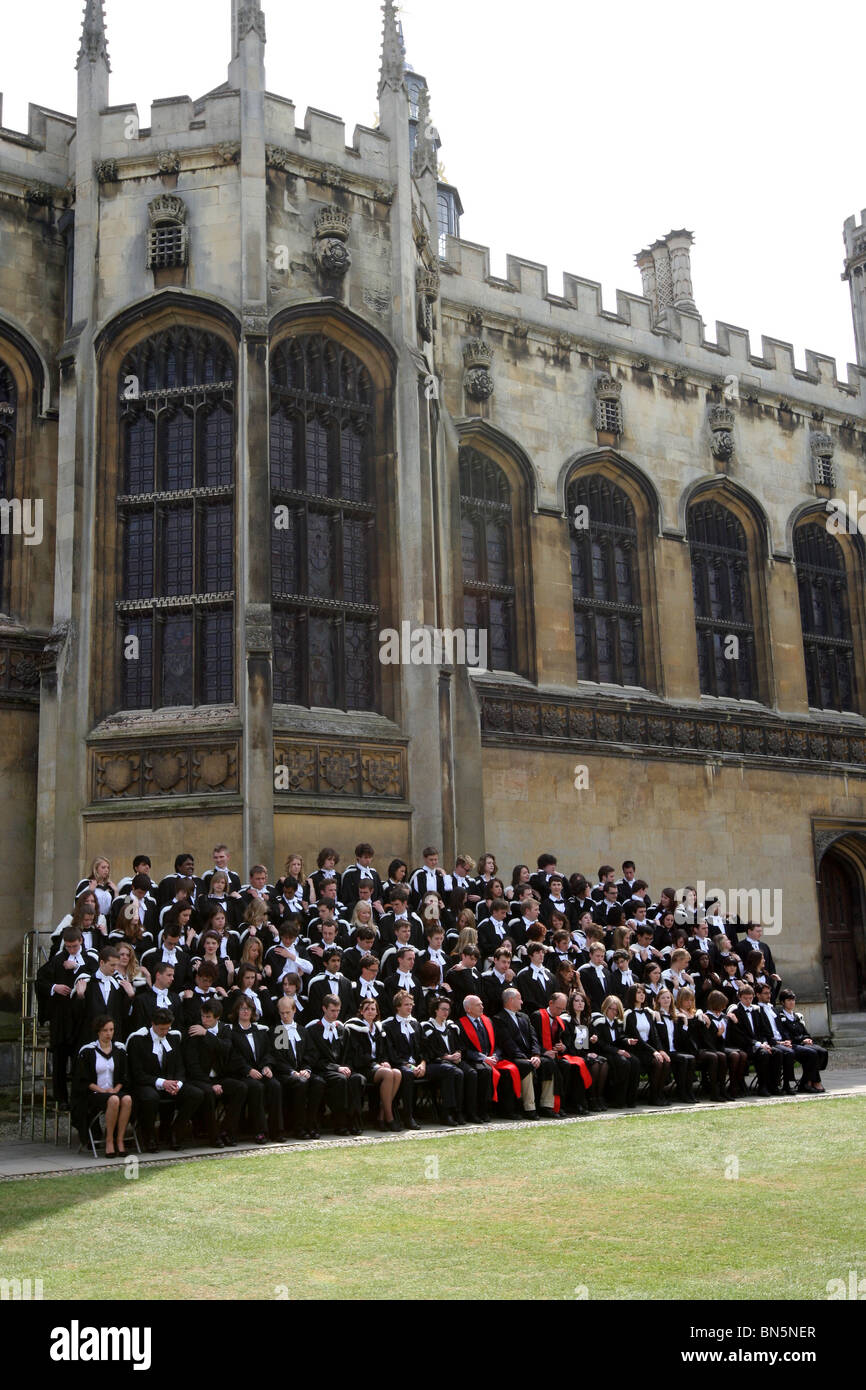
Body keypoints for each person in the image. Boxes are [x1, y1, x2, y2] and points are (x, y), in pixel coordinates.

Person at [126, 1008, 203, 1152]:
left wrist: (177, 1084)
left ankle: (175, 1132)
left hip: (170, 1084)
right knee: (150, 1097)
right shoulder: (138, 1040)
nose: (164, 1032)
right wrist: (162, 1082)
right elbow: (137, 1074)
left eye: (167, 1028)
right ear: (153, 1024)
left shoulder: (173, 1038)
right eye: (161, 1029)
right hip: (147, 1084)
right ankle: (149, 1137)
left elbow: (180, 1067)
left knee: (196, 1094)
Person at [37, 926, 96, 1105]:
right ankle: (61, 1098)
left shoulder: (89, 959)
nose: (71, 950)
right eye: (68, 947)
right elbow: (41, 979)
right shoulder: (58, 959)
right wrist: (55, 987)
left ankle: (81, 1097)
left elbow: (95, 977)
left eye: (74, 946)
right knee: (60, 1059)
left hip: (81, 1018)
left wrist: (77, 967)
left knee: (81, 1060)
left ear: (81, 942)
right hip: (61, 1017)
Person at [183, 1000, 248, 1147]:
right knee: (208, 1093)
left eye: (208, 1017)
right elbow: (192, 1065)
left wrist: (206, 1034)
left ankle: (227, 1130)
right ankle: (214, 1137)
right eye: (203, 1017)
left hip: (220, 1077)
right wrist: (210, 1083)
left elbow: (225, 1048)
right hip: (201, 1079)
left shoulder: (224, 1029)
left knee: (240, 1088)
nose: (204, 1020)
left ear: (217, 1017)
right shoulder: (194, 1030)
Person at [71, 1015, 132, 1157]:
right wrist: (103, 1091)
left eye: (111, 1030)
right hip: (94, 1094)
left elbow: (124, 1076)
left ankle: (120, 1139)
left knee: (127, 1099)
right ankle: (109, 1140)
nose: (109, 1033)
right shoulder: (88, 1051)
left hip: (114, 1090)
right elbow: (82, 1080)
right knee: (114, 1100)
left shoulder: (119, 1049)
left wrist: (115, 1090)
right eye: (105, 1030)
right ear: (98, 1031)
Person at [305, 995, 365, 1136]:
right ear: (324, 1009)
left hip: (342, 1069)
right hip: (323, 1070)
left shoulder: (343, 1030)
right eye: (332, 1010)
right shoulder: (313, 1031)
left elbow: (349, 1054)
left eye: (338, 1010)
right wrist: (336, 1068)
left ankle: (353, 1121)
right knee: (340, 1080)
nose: (335, 1014)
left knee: (358, 1079)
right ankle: (340, 1123)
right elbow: (314, 1059)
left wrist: (347, 1067)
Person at [494, 987, 556, 1120]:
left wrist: (536, 1055)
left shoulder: (525, 1017)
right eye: (519, 999)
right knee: (526, 1066)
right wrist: (527, 1059)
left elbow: (534, 1038)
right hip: (512, 1057)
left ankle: (546, 1105)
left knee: (548, 1063)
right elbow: (507, 1043)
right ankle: (529, 1107)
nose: (522, 1002)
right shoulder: (499, 1018)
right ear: (511, 1000)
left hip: (530, 1056)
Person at [227, 994, 283, 1143]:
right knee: (256, 1087)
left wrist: (267, 1066)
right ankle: (260, 1131)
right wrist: (247, 1070)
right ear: (237, 1011)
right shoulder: (231, 1032)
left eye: (248, 1009)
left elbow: (268, 1052)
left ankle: (277, 1130)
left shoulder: (260, 1031)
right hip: (241, 1074)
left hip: (260, 1071)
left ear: (253, 1011)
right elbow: (233, 1056)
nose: (245, 1012)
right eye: (242, 1009)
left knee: (275, 1085)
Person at [271, 996, 325, 1139]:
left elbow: (311, 1053)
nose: (284, 1016)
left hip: (303, 1071)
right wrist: (292, 1071)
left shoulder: (302, 1030)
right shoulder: (278, 1031)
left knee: (318, 1082)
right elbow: (278, 1058)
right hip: (286, 1073)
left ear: (294, 1010)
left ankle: (311, 1123)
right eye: (281, 1013)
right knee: (301, 1083)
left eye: (287, 1012)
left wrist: (306, 1069)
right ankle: (299, 1127)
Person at [344, 998, 402, 1131]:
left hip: (376, 1067)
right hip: (362, 1067)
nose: (370, 1011)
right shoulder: (355, 1028)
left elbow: (384, 1052)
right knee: (388, 1073)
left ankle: (380, 1117)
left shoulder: (379, 1029)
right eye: (367, 1009)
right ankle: (389, 1117)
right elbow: (357, 1054)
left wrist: (385, 1061)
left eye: (373, 1009)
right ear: (361, 1012)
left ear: (377, 1012)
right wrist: (376, 1064)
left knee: (397, 1073)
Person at [531, 992, 590, 1115]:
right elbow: (533, 1038)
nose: (560, 1012)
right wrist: (544, 1052)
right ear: (550, 1003)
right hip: (540, 1054)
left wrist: (563, 1047)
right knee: (553, 1065)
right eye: (558, 1008)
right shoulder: (538, 1016)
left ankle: (565, 1104)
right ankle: (548, 1105)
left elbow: (570, 1043)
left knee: (569, 1065)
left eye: (562, 1009)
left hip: (557, 1054)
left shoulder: (561, 1021)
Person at [726, 983, 782, 1096]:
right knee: (764, 1054)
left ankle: (774, 1085)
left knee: (777, 1052)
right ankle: (762, 1086)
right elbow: (739, 1035)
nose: (748, 1001)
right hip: (744, 1046)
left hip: (759, 1044)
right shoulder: (736, 1012)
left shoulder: (756, 1010)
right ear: (739, 997)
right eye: (745, 998)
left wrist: (765, 1042)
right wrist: (758, 1044)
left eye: (750, 998)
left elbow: (762, 1030)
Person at [382, 990, 426, 1129]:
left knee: (450, 1071)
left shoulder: (415, 1024)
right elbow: (391, 1053)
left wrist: (423, 1064)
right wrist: (411, 1066)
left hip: (418, 1065)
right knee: (406, 1074)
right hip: (401, 1065)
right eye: (406, 1004)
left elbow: (424, 1048)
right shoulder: (388, 1025)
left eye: (411, 1004)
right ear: (398, 1007)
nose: (410, 1007)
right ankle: (408, 1116)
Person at [73, 944, 134, 1041]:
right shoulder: (87, 983)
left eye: (116, 965)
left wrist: (130, 996)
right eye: (112, 965)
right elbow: (78, 1014)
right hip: (91, 1037)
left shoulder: (119, 985)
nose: (115, 968)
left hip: (113, 1038)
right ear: (101, 962)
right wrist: (80, 996)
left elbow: (123, 1014)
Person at [623, 983, 671, 1106]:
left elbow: (654, 1035)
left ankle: (659, 1093)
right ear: (632, 995)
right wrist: (654, 1052)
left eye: (643, 993)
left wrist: (660, 1050)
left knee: (665, 1061)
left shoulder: (648, 1013)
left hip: (649, 1049)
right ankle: (653, 1096)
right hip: (636, 1049)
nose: (642, 995)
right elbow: (636, 1037)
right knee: (657, 1063)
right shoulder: (629, 1014)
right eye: (639, 993)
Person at [695, 990, 747, 1098]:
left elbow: (736, 1035)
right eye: (722, 1005)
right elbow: (705, 1040)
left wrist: (735, 1022)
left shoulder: (724, 1017)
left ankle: (735, 1085)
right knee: (735, 1055)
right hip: (714, 1047)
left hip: (726, 1045)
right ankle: (724, 1088)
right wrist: (718, 1034)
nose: (723, 1008)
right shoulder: (706, 1018)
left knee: (743, 1054)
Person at [592, 995, 641, 1108]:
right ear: (605, 1008)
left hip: (616, 1050)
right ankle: (618, 1099)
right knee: (624, 1063)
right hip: (604, 1051)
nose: (614, 1012)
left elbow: (620, 1038)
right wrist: (617, 1051)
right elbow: (601, 1043)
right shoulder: (599, 1022)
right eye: (611, 1009)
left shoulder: (617, 1023)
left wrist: (627, 1041)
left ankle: (631, 1099)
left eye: (616, 1010)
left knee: (635, 1061)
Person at [775, 988, 828, 1092]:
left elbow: (806, 1033)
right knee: (812, 1053)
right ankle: (810, 1083)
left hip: (802, 1043)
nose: (792, 1002)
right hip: (792, 1045)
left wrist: (807, 1039)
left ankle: (809, 1080)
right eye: (789, 1000)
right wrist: (802, 1040)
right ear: (782, 1002)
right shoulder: (781, 1017)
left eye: (793, 1000)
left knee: (823, 1052)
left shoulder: (796, 1016)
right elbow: (787, 1036)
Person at [562, 990, 607, 1110]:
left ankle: (599, 1097)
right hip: (572, 1054)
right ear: (571, 1003)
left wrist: (594, 1039)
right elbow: (569, 1044)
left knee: (603, 1063)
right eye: (576, 1001)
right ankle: (590, 1099)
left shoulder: (586, 1021)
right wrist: (587, 1054)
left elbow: (590, 1043)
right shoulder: (567, 1020)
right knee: (595, 1065)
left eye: (582, 1001)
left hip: (584, 1052)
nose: (580, 1003)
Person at [130, 960, 182, 1031]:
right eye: (169, 975)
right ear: (158, 975)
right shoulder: (142, 999)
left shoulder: (175, 998)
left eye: (173, 975)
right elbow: (139, 1025)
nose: (172, 978)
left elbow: (178, 1024)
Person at [308, 947, 355, 1019]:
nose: (336, 964)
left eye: (338, 960)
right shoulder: (316, 984)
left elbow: (350, 1008)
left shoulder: (347, 983)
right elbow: (314, 1009)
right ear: (325, 963)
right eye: (333, 961)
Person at [514, 941, 555, 1012]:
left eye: (542, 952)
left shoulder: (550, 975)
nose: (541, 955)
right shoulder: (523, 975)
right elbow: (527, 998)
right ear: (530, 955)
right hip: (533, 1014)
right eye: (537, 953)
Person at [444, 944, 481, 1017]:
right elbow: (470, 989)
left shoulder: (476, 973)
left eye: (475, 960)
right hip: (460, 1012)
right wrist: (465, 971)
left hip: (475, 1011)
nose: (473, 962)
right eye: (471, 959)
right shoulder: (453, 972)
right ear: (463, 956)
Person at [578, 942, 615, 1013]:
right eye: (597, 956)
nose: (600, 959)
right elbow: (586, 993)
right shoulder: (584, 972)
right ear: (590, 955)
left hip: (607, 1009)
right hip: (592, 1010)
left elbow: (610, 991)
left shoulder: (606, 972)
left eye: (602, 956)